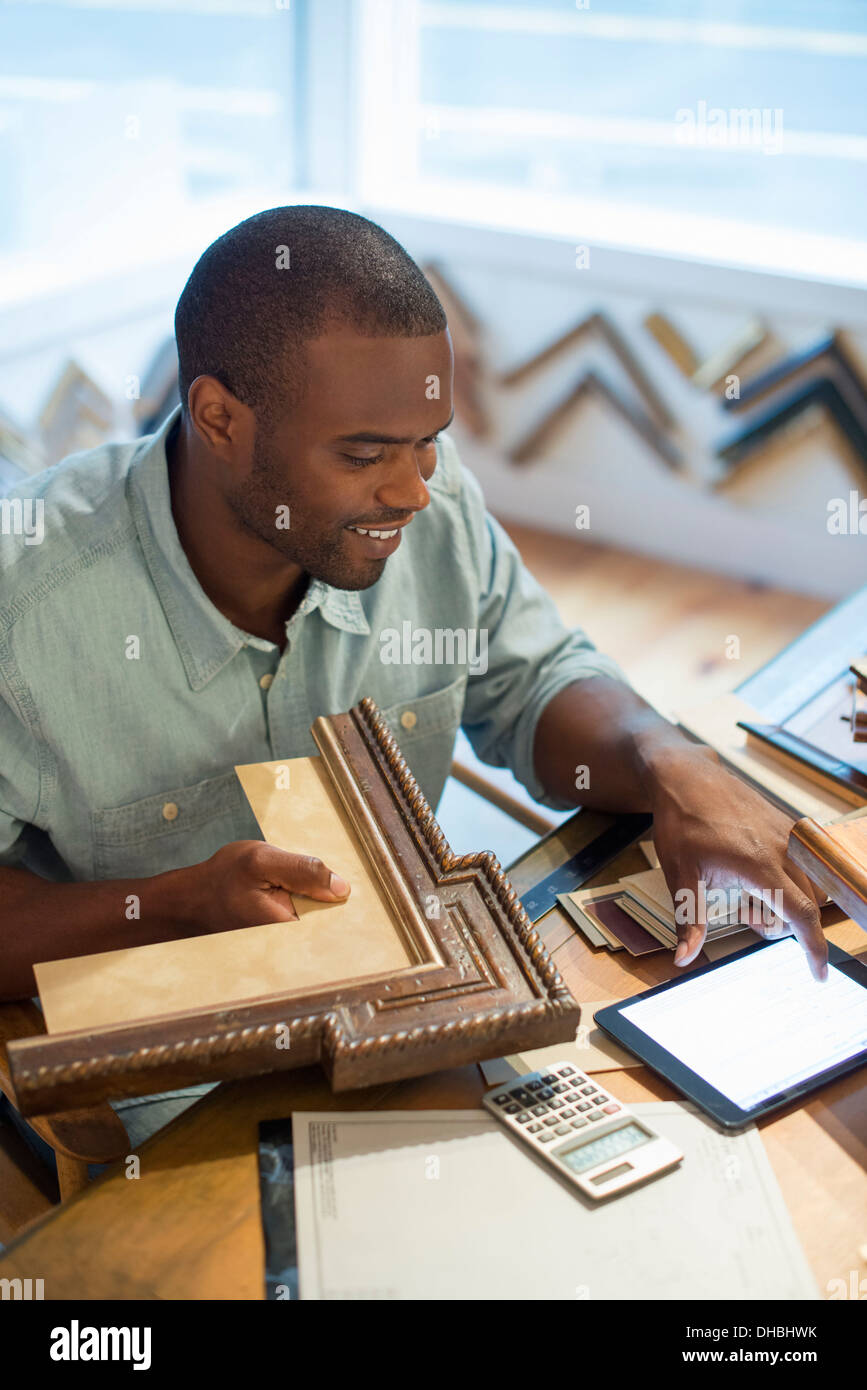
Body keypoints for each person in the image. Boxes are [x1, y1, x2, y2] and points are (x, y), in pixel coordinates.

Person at [0, 206, 826, 1171]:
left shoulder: (425, 511)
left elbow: (535, 682)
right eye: (363, 456)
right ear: (219, 418)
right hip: (176, 1100)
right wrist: (177, 905)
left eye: (427, 441)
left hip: (425, 1036)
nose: (412, 492)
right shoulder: (31, 604)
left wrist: (667, 757)